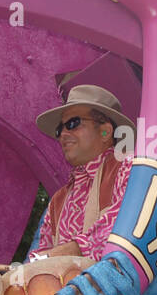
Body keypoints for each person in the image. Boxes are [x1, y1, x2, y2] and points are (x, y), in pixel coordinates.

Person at [30, 84, 134, 261]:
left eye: (73, 124)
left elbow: (123, 229)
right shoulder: (57, 201)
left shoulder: (130, 167)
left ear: (105, 132)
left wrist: (58, 255)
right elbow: (41, 255)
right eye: (59, 129)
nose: (63, 133)